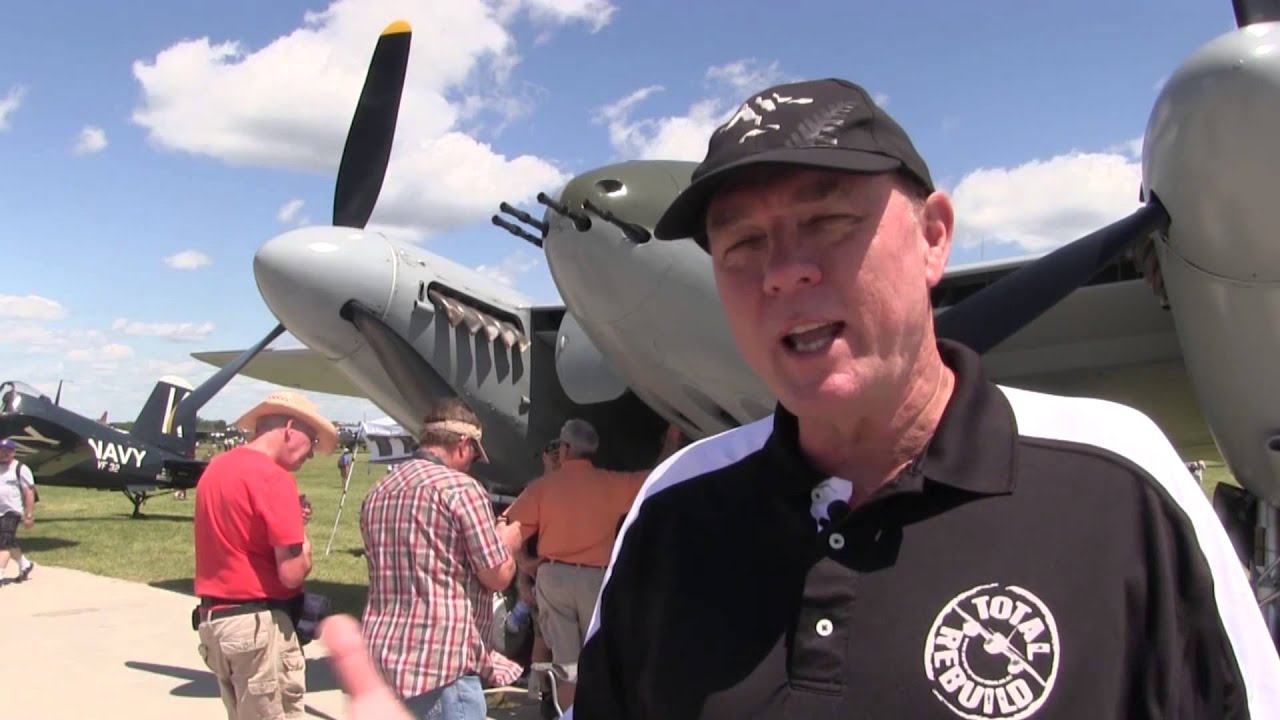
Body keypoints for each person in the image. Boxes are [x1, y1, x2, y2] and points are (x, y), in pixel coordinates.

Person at [315, 78, 1280, 718]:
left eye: (829, 220)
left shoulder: (1124, 483)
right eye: (739, 245)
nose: (784, 273)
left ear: (936, 236)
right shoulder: (673, 512)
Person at [358, 397, 526, 719]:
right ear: (463, 444)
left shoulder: (379, 491)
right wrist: (509, 543)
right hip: (442, 662)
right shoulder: (462, 489)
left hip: (385, 655)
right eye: (474, 455)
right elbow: (497, 575)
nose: (471, 463)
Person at [500, 419, 682, 709]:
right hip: (595, 581)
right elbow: (656, 475)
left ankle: (566, 712)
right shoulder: (610, 483)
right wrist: (672, 439)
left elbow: (510, 527)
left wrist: (525, 565)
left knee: (566, 665)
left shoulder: (543, 487)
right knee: (597, 655)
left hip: (554, 578)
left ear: (566, 448)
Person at [193, 391, 335, 720]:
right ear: (290, 429)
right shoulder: (275, 478)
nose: (311, 454)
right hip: (258, 626)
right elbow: (292, 573)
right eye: (312, 441)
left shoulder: (216, 468)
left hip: (216, 623)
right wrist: (302, 536)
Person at [0, 438, 36, 583]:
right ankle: (25, 565)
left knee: (3, 544)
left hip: (12, 511)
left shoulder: (20, 468)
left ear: (14, 452)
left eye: (8, 450)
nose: (4, 453)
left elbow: (29, 492)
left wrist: (29, 514)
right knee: (9, 542)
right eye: (2, 450)